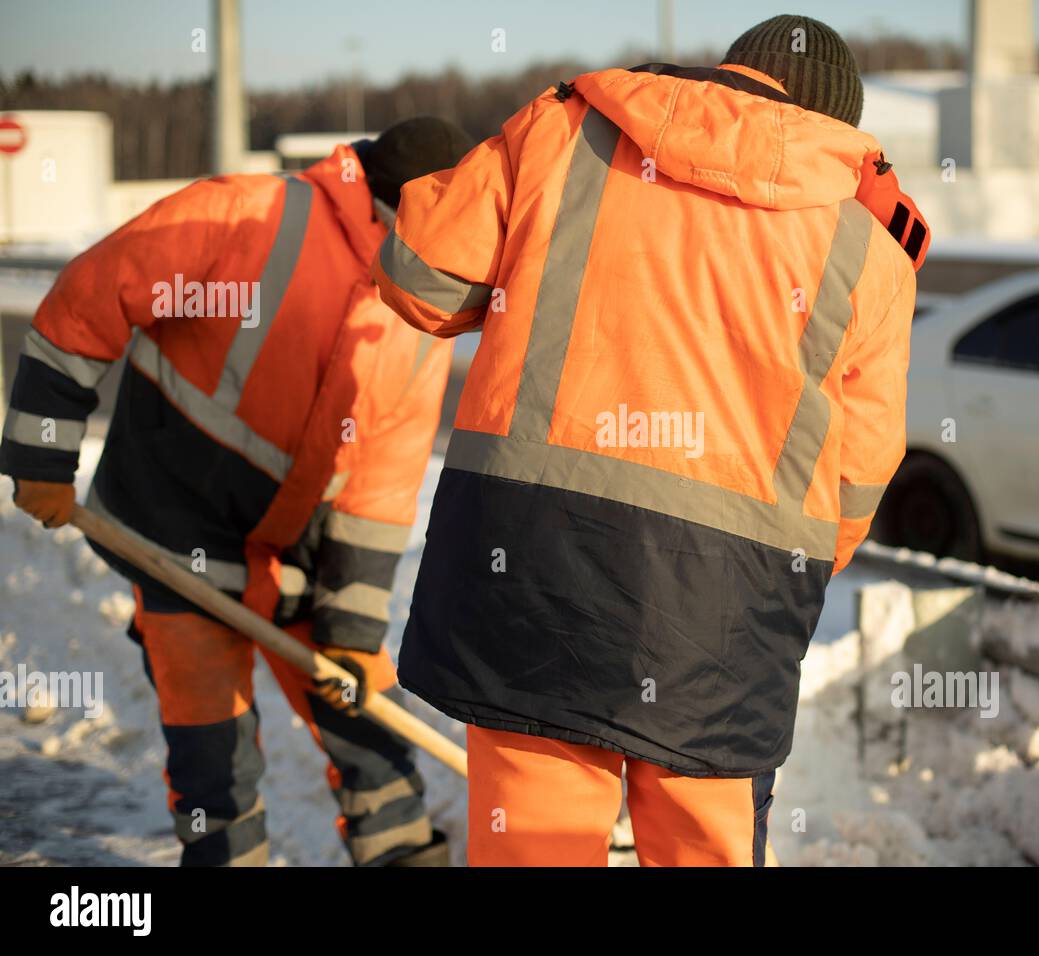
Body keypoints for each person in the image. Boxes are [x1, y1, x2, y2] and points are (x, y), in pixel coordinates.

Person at [374, 15, 929, 866]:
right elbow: (859, 474)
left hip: (529, 572)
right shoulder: (871, 250)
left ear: (725, 73)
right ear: (835, 125)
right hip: (725, 613)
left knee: (533, 851)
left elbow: (420, 281)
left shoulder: (566, 130)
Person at [1, 117, 473, 866]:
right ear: (417, 203)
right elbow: (88, 298)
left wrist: (350, 635)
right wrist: (43, 451)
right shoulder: (246, 213)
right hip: (171, 537)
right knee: (214, 764)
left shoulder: (421, 301)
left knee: (375, 739)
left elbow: (382, 487)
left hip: (299, 561)